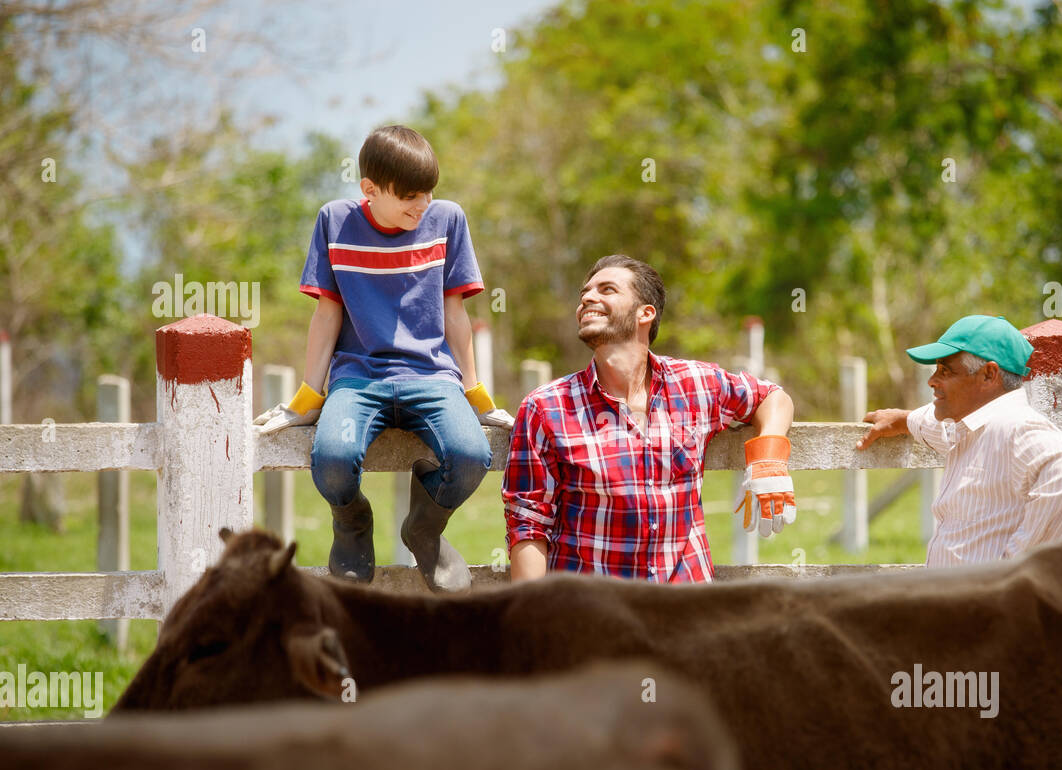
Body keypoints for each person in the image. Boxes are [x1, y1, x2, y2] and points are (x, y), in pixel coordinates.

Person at [254, 125, 513, 591]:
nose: (422, 205)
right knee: (332, 456)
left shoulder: (448, 220)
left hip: (433, 377)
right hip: (358, 380)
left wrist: (476, 394)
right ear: (369, 189)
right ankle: (352, 521)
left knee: (471, 453)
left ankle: (424, 529)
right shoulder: (334, 221)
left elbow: (455, 313)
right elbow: (327, 315)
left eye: (428, 192)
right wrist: (307, 398)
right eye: (410, 195)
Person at [503, 254, 796, 582]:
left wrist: (768, 459)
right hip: (595, 612)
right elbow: (528, 526)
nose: (587, 298)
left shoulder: (695, 384)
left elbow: (772, 397)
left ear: (646, 313)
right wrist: (528, 625)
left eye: (607, 289)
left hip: (685, 610)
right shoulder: (546, 408)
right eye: (584, 293)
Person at [857, 314, 1062, 567]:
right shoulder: (972, 426)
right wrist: (904, 419)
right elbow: (941, 431)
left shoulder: (1014, 426)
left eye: (945, 370)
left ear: (989, 375)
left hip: (989, 600)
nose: (932, 380)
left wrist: (1014, 571)